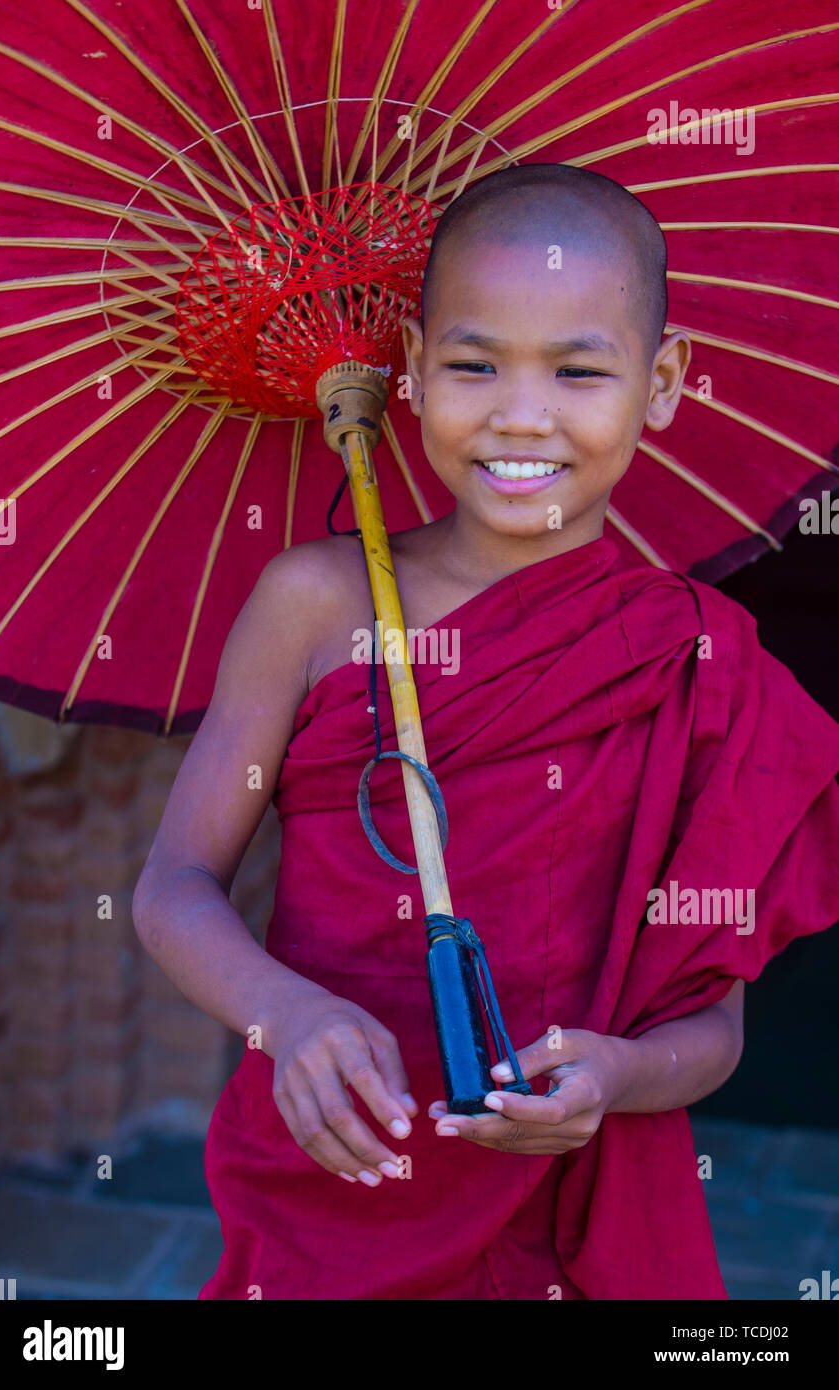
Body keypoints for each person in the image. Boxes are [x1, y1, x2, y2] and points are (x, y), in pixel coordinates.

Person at [132, 163, 839, 1300]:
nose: (520, 414)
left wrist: (614, 1076)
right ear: (408, 370)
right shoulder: (317, 604)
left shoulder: (695, 657)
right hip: (338, 1179)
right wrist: (285, 1013)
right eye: (471, 365)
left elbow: (712, 1027)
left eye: (576, 369)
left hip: (572, 1204)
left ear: (659, 382)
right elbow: (171, 887)